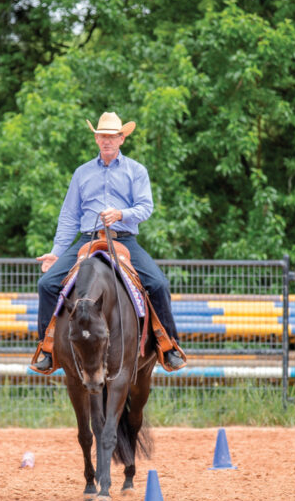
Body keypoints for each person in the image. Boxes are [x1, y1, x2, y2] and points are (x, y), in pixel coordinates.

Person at [32, 111, 186, 372]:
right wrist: (56, 252)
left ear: (121, 139)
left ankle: (167, 345)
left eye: (112, 136)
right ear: (96, 139)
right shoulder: (82, 173)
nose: (107, 141)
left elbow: (145, 207)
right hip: (87, 240)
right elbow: (70, 216)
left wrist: (121, 214)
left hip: (124, 239)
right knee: (46, 284)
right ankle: (47, 349)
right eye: (102, 136)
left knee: (158, 283)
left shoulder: (136, 171)